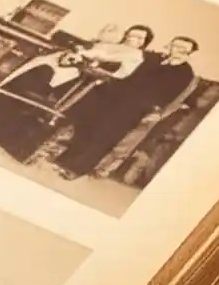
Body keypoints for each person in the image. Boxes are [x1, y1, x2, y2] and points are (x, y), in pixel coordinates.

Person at [0, 24, 151, 161]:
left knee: (36, 81)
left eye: (139, 38)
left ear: (143, 43)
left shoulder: (134, 56)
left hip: (80, 81)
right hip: (57, 66)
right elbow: (79, 45)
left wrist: (88, 59)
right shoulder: (109, 44)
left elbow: (117, 72)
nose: (132, 39)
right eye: (131, 34)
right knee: (26, 78)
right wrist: (85, 47)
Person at [55, 34, 199, 179]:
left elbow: (169, 96)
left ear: (190, 53)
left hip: (135, 108)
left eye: (182, 48)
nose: (177, 49)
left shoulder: (185, 73)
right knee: (91, 128)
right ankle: (64, 160)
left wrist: (152, 110)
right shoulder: (153, 58)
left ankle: (76, 169)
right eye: (175, 45)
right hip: (115, 96)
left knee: (106, 137)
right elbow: (128, 61)